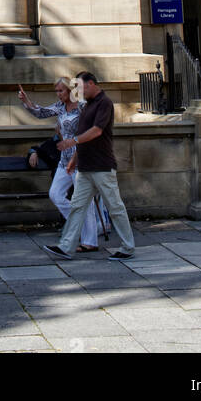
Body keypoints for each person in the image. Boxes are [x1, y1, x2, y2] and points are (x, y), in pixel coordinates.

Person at [42, 71, 136, 260]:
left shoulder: (105, 103)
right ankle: (67, 246)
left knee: (115, 207)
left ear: (91, 84)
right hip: (84, 168)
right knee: (77, 207)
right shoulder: (87, 106)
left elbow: (96, 131)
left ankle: (128, 247)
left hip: (102, 166)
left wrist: (72, 141)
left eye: (81, 87)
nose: (79, 92)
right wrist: (73, 160)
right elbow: (84, 137)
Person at [18, 78, 108, 251]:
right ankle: (80, 229)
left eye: (61, 91)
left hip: (81, 158)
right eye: (57, 91)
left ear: (69, 90)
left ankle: (89, 242)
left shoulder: (82, 107)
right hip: (64, 160)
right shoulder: (60, 107)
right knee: (55, 194)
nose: (58, 94)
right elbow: (41, 112)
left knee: (84, 201)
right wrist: (26, 101)